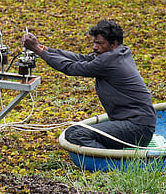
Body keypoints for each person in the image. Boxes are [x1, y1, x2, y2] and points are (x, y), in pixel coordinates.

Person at [22, 19, 157, 149]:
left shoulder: (108, 61)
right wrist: (43, 48)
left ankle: (110, 160)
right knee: (75, 131)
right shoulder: (120, 53)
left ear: (113, 44)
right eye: (94, 43)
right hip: (139, 124)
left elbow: (70, 68)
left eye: (100, 43)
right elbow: (80, 58)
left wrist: (37, 50)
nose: (94, 47)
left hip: (137, 128)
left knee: (76, 135)